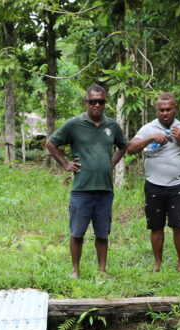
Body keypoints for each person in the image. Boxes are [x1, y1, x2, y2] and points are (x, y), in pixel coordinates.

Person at [45, 85, 128, 278]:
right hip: (82, 189)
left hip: (105, 190)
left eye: (101, 101)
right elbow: (51, 143)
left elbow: (123, 146)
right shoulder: (74, 125)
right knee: (77, 231)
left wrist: (113, 162)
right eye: (93, 101)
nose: (97, 105)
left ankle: (102, 270)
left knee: (102, 233)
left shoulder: (112, 126)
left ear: (105, 103)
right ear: (87, 102)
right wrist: (65, 163)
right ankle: (75, 269)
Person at [127, 92, 180, 273]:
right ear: (157, 110)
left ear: (175, 108)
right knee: (156, 226)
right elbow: (130, 149)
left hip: (177, 185)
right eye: (161, 110)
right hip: (154, 184)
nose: (165, 113)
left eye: (169, 109)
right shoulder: (148, 128)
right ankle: (158, 263)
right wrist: (152, 138)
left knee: (179, 226)